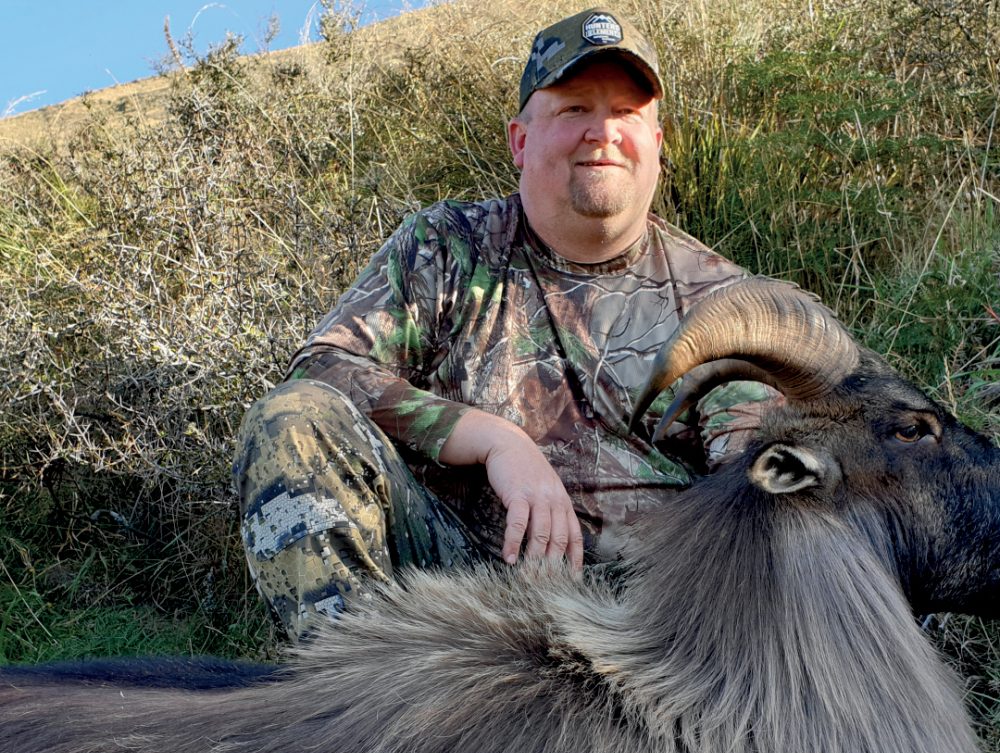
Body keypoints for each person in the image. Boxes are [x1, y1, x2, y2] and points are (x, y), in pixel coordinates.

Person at [233, 7, 772, 639]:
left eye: (626, 113)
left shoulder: (724, 301)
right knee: (293, 422)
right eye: (573, 109)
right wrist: (493, 440)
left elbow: (756, 473)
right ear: (520, 140)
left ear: (656, 142)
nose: (602, 132)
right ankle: (350, 705)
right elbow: (322, 369)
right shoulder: (447, 247)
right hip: (456, 589)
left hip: (648, 620)